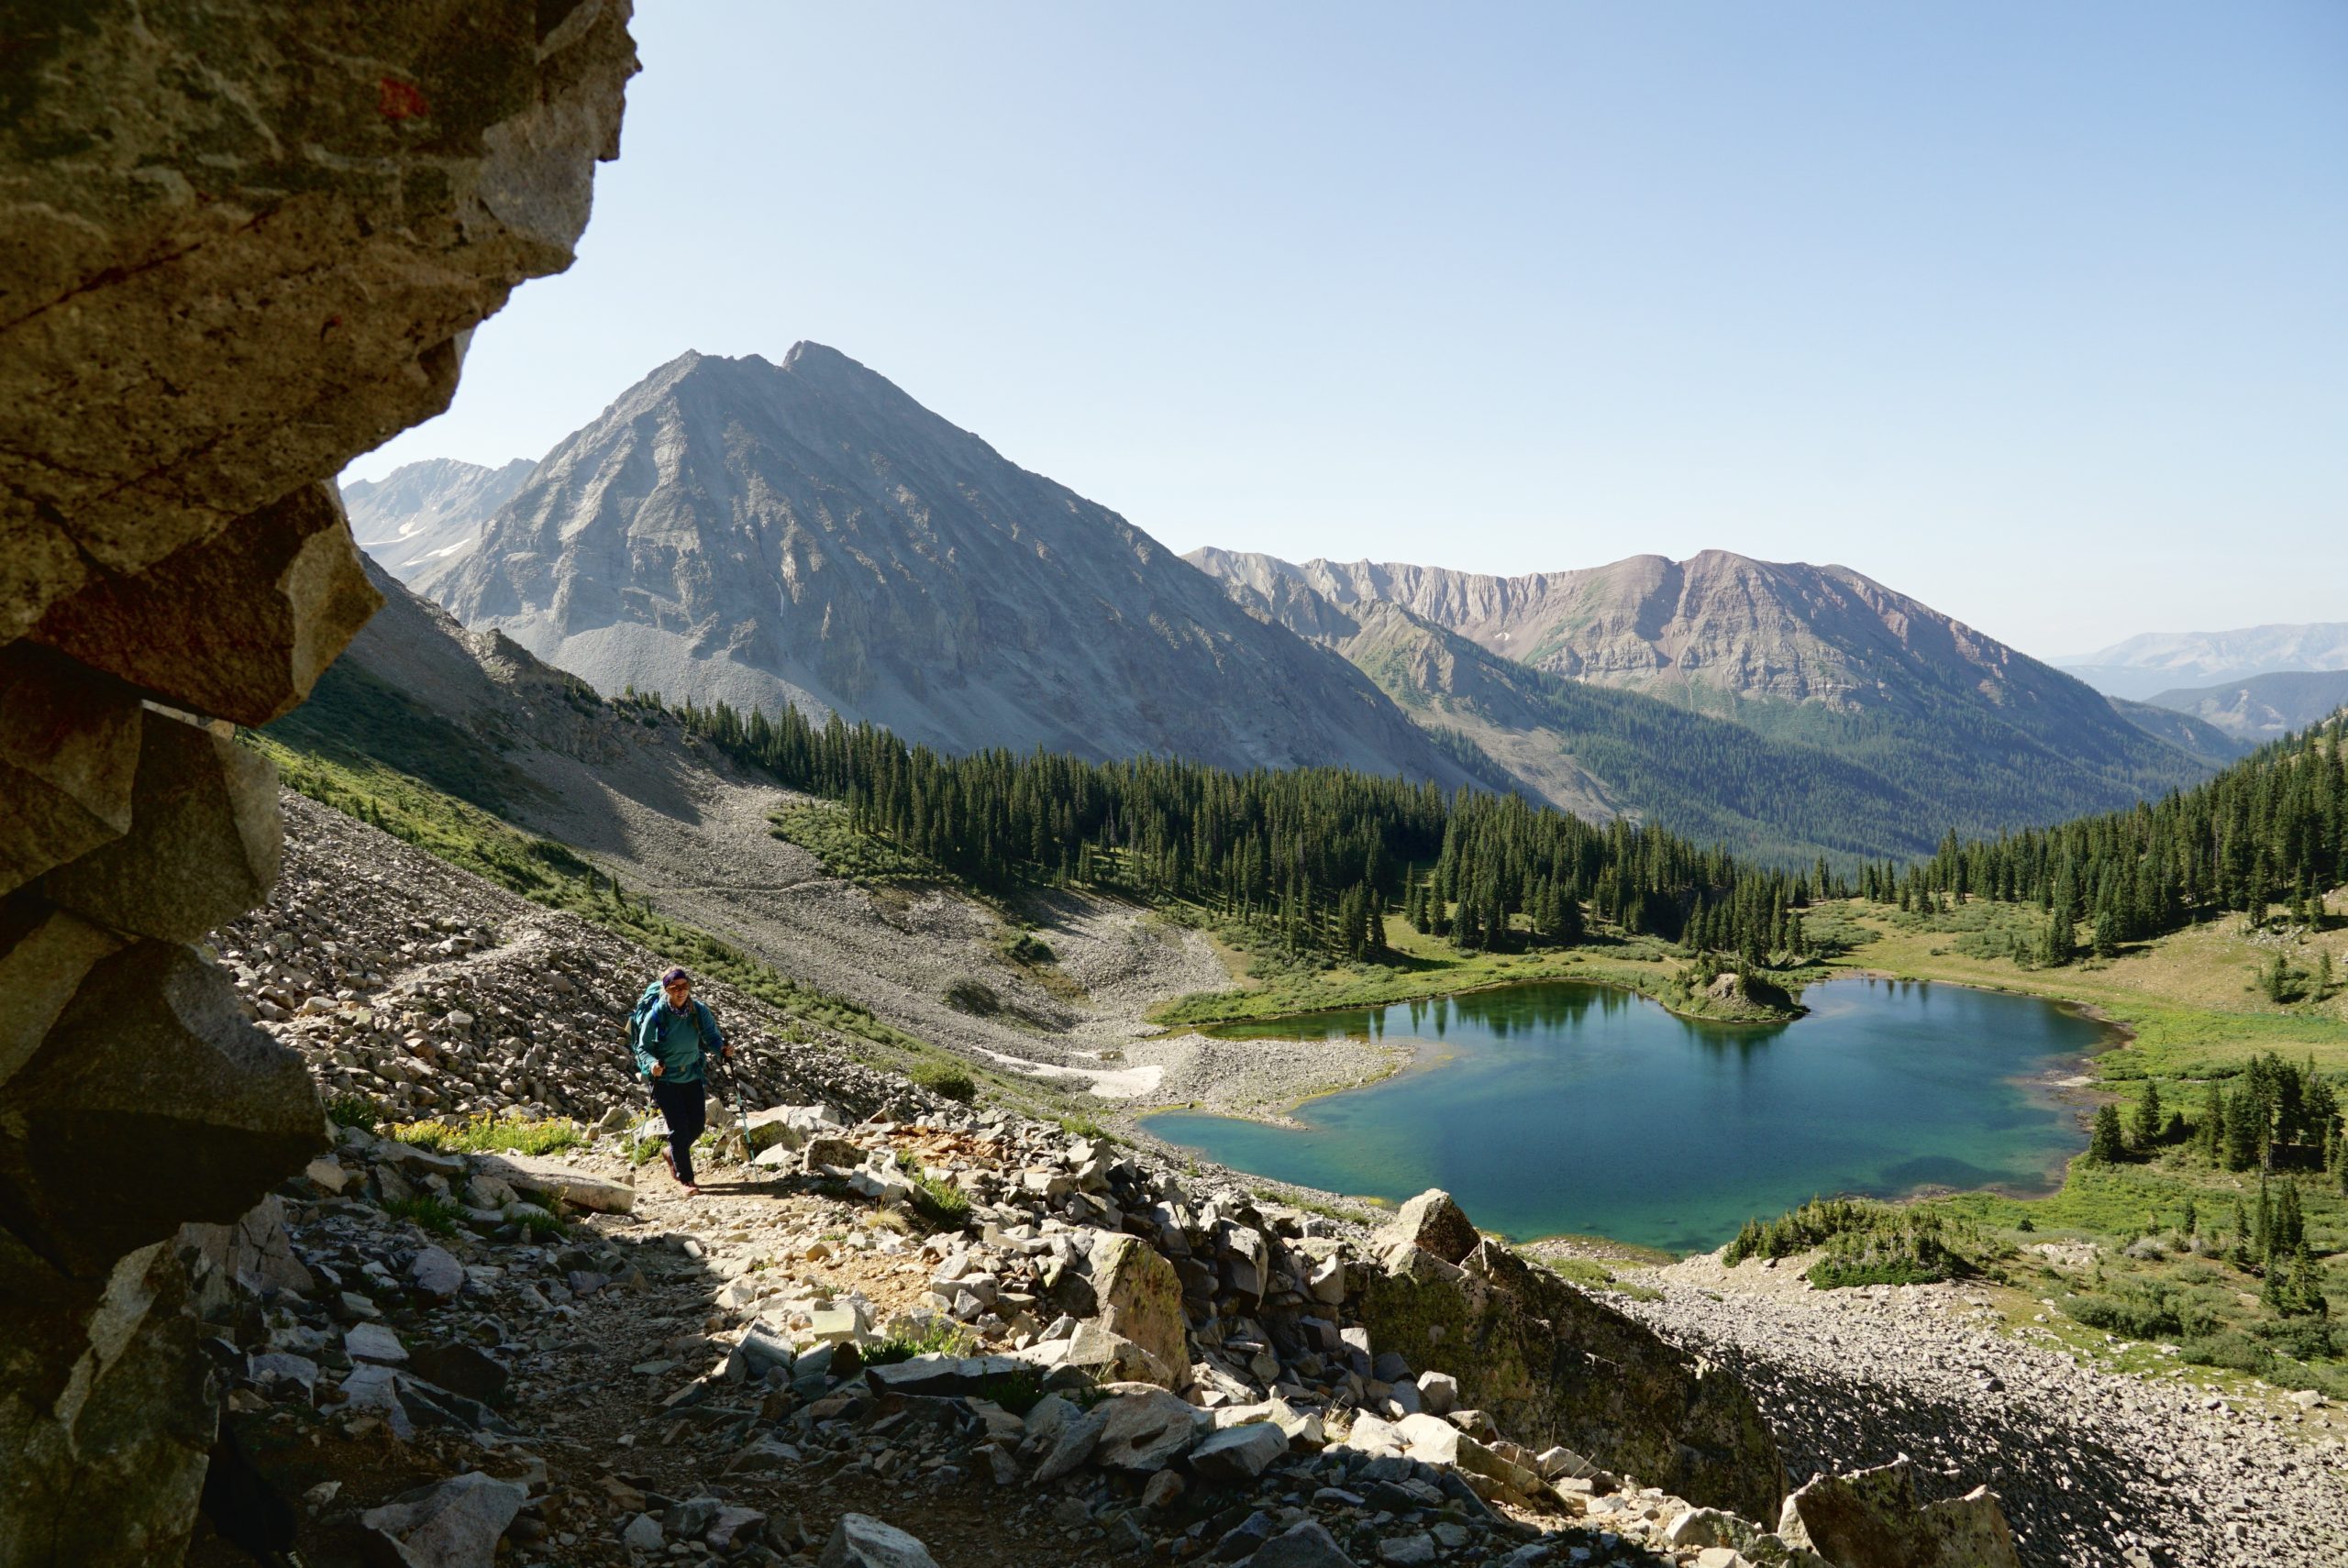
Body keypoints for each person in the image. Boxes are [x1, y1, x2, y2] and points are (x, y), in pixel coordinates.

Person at [632, 966, 729, 1194]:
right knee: (679, 1129)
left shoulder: (698, 1011)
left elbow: (711, 1036)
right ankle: (686, 1180)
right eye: (675, 988)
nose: (681, 992)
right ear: (667, 990)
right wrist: (652, 1064)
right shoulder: (656, 1014)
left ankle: (671, 1153)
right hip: (665, 1079)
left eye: (685, 986)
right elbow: (643, 1048)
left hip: (691, 1074)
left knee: (696, 1125)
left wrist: (722, 1049)